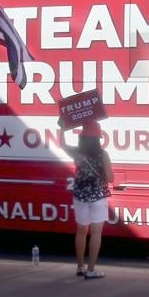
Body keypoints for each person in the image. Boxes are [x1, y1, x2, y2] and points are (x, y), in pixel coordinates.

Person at [62, 119, 114, 279]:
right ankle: (91, 270)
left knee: (81, 231)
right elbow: (111, 178)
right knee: (96, 233)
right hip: (98, 197)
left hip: (80, 196)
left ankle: (80, 266)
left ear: (82, 137)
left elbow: (62, 145)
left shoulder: (77, 153)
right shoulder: (103, 154)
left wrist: (62, 128)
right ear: (98, 138)